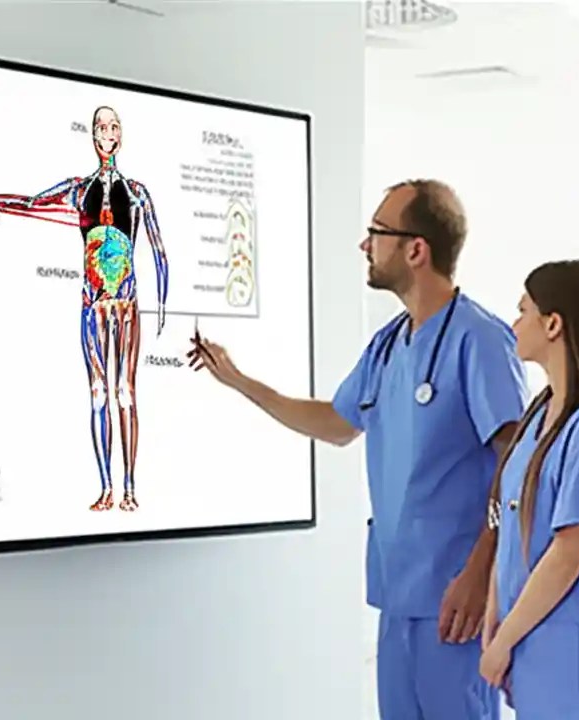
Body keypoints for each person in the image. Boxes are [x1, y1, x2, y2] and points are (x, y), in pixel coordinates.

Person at [189, 179, 528, 720]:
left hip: (455, 600)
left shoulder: (480, 340)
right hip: (400, 596)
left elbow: (518, 462)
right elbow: (338, 423)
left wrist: (480, 570)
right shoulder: (390, 342)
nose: (364, 245)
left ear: (416, 249)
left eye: (377, 232)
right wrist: (240, 381)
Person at [0, 105, 168, 512]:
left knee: (125, 392)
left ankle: (131, 488)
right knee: (99, 392)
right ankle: (107, 489)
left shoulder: (137, 191)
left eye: (113, 126)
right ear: (93, 135)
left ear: (121, 135)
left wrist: (163, 303)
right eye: (101, 126)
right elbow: (31, 203)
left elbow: (158, 249)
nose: (107, 133)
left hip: (126, 303)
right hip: (92, 301)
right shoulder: (78, 189)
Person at [478, 259, 579, 720]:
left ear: (553, 324)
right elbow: (511, 525)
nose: (514, 323)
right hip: (533, 640)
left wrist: (506, 637)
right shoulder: (539, 414)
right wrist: (495, 617)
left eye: (523, 309)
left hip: (573, 647)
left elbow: (568, 552)